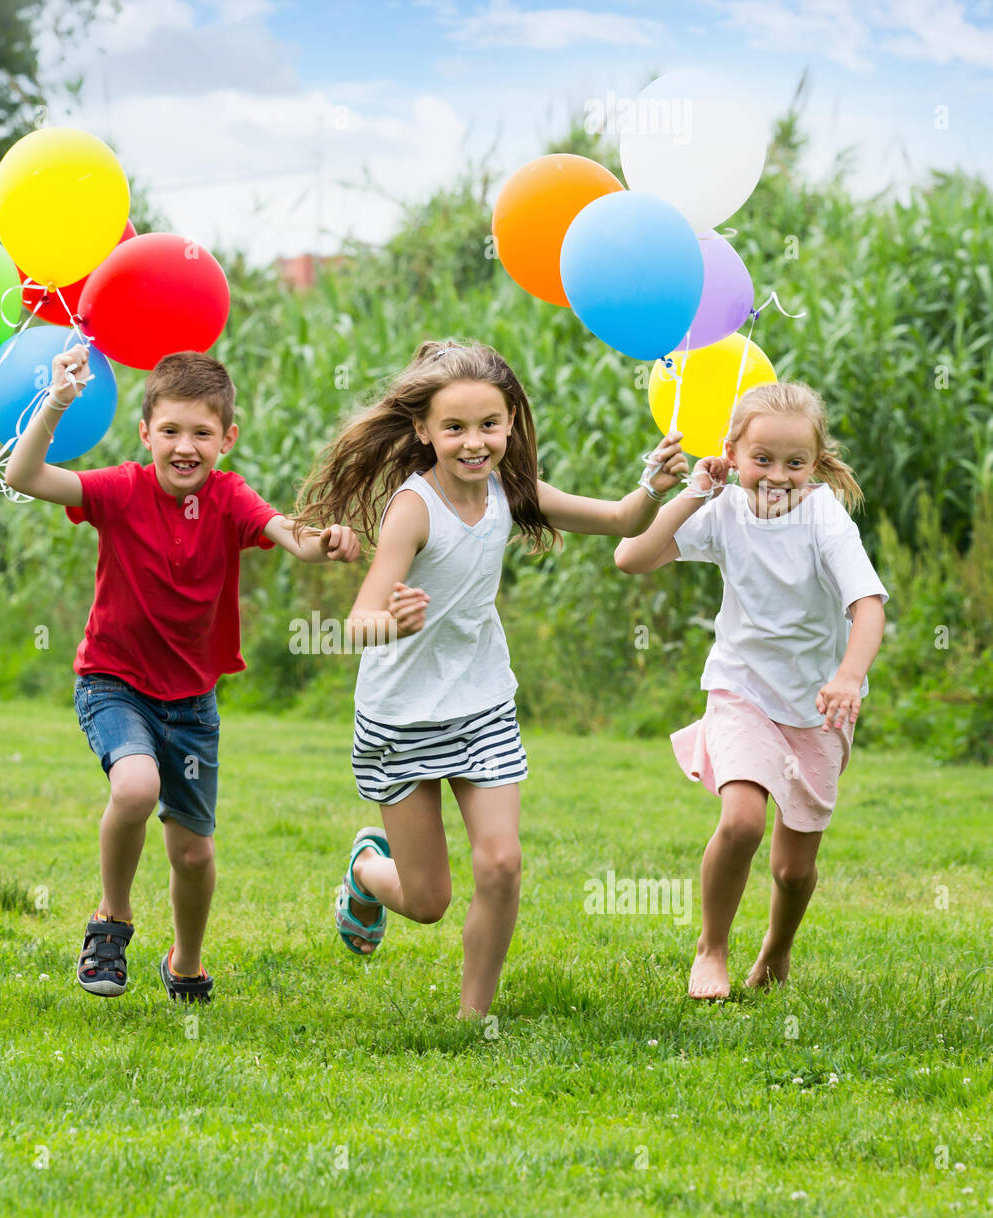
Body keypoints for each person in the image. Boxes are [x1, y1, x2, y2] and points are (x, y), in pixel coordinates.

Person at [293, 339, 687, 1017]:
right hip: (401, 717)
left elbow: (621, 520)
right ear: (423, 431)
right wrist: (391, 620)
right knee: (427, 901)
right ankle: (365, 868)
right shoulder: (413, 509)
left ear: (509, 423)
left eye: (488, 425)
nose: (473, 442)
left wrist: (655, 483)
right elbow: (358, 620)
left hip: (482, 706)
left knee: (501, 862)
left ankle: (473, 1018)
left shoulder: (511, 491)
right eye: (454, 427)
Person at [4, 346, 360, 1004]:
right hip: (114, 682)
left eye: (202, 432)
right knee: (135, 787)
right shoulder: (120, 489)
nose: (185, 447)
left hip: (192, 702)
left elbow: (288, 533)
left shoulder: (229, 497)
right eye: (170, 430)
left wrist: (329, 539)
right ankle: (111, 921)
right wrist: (57, 398)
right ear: (145, 434)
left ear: (228, 436)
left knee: (193, 854)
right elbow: (26, 477)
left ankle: (186, 962)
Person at [614, 381, 888, 999]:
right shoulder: (724, 509)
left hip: (818, 706)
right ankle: (711, 950)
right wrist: (694, 492)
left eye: (795, 463)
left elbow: (867, 606)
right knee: (741, 822)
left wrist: (847, 676)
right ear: (731, 452)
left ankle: (776, 949)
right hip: (741, 689)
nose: (777, 475)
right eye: (761, 459)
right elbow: (632, 557)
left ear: (814, 466)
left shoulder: (825, 520)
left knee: (793, 871)